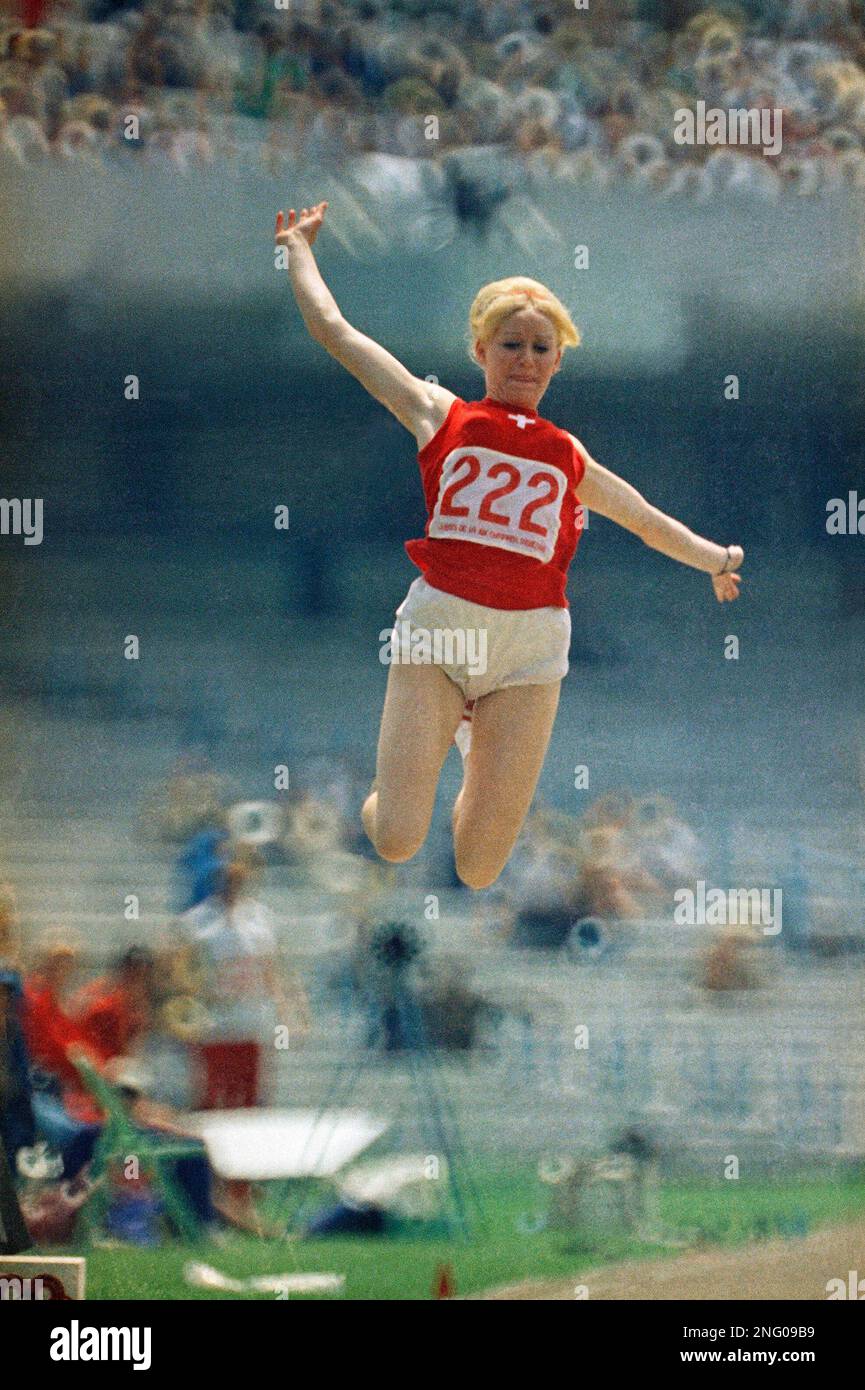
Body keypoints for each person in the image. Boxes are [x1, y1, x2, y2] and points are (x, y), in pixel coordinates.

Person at [274, 201, 744, 890]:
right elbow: (334, 331)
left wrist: (715, 559)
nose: (525, 359)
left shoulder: (565, 453)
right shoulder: (439, 413)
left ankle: (470, 749)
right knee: (400, 840)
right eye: (510, 344)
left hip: (528, 650)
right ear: (480, 352)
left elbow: (642, 518)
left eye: (540, 348)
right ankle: (391, 790)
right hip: (440, 635)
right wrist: (296, 248)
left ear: (557, 361)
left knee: (480, 866)